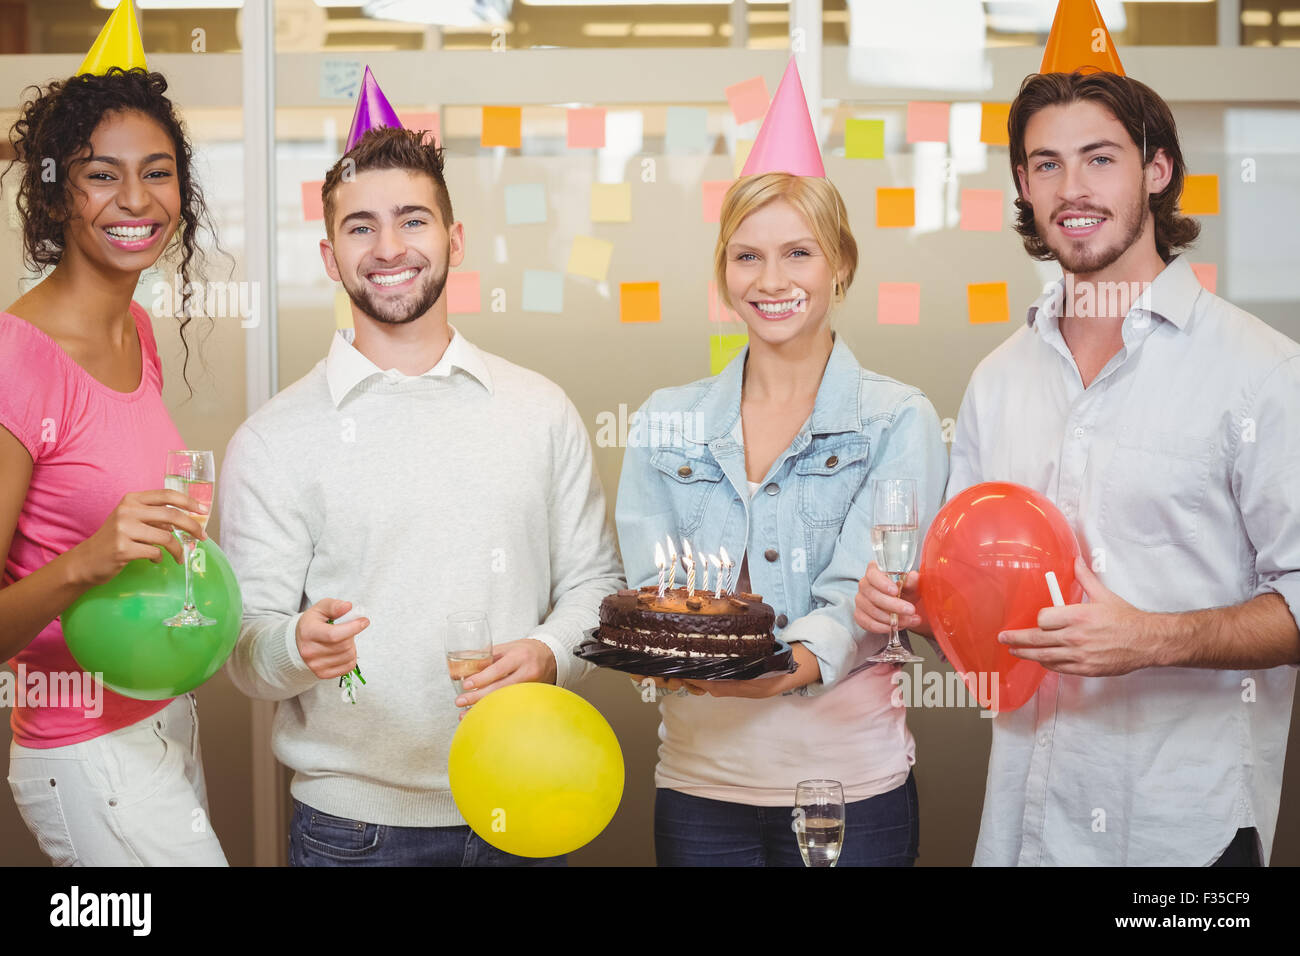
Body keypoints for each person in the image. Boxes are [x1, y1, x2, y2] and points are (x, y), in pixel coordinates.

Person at [855, 69, 1300, 866]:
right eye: (1047, 164)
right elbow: (974, 591)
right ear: (1024, 186)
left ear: (1156, 171)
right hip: (1025, 828)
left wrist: (1152, 639)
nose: (1073, 188)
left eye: (1100, 159)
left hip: (1183, 838)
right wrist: (919, 605)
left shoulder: (1262, 374)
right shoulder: (1001, 376)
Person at [218, 124, 624, 867]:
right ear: (328, 255)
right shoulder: (274, 440)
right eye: (360, 226)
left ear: (455, 239)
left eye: (412, 219)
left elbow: (597, 586)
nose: (388, 247)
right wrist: (294, 645)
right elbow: (245, 648)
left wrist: (547, 652)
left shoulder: (538, 409)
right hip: (353, 831)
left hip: (529, 802)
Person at [616, 75, 948, 863]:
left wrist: (786, 669)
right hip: (700, 789)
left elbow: (860, 602)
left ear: (840, 265)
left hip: (849, 789)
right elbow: (658, 594)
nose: (771, 281)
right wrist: (680, 651)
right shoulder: (666, 420)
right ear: (722, 271)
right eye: (747, 256)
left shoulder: (896, 419)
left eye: (798, 252)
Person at [0, 67, 227, 865]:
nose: (136, 200)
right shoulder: (15, 359)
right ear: (58, 195)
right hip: (85, 752)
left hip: (163, 720)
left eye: (156, 172)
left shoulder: (137, 330)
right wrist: (88, 561)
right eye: (102, 175)